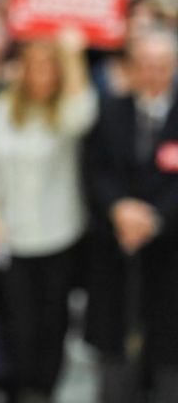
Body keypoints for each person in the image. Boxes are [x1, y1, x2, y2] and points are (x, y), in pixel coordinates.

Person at [0, 34, 96, 402]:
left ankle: (44, 389)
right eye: (35, 66)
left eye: (49, 67)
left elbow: (84, 113)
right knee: (18, 322)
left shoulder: (65, 109)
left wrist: (73, 54)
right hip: (13, 235)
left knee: (54, 322)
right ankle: (20, 387)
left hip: (59, 234)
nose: (41, 75)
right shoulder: (2, 107)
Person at [83, 27, 178, 403]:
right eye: (145, 65)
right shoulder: (111, 109)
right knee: (115, 349)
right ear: (131, 68)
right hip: (116, 247)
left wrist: (154, 219)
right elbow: (95, 168)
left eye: (161, 66)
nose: (152, 73)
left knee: (170, 352)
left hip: (171, 252)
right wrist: (120, 209)